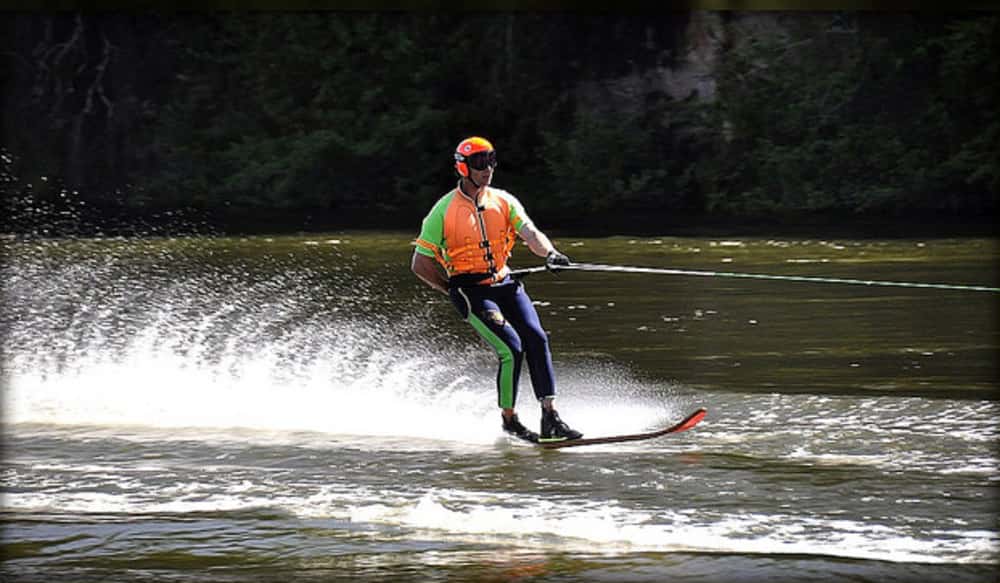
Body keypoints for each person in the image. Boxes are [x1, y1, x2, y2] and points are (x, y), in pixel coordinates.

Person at [410, 136, 583, 443]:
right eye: (479, 162)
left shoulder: (503, 201)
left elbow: (529, 233)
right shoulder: (443, 211)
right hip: (471, 291)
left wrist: (551, 254)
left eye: (491, 160)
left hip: (505, 283)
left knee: (536, 338)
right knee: (511, 349)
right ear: (463, 167)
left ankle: (550, 417)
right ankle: (510, 420)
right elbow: (420, 263)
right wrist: (449, 289)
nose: (487, 168)